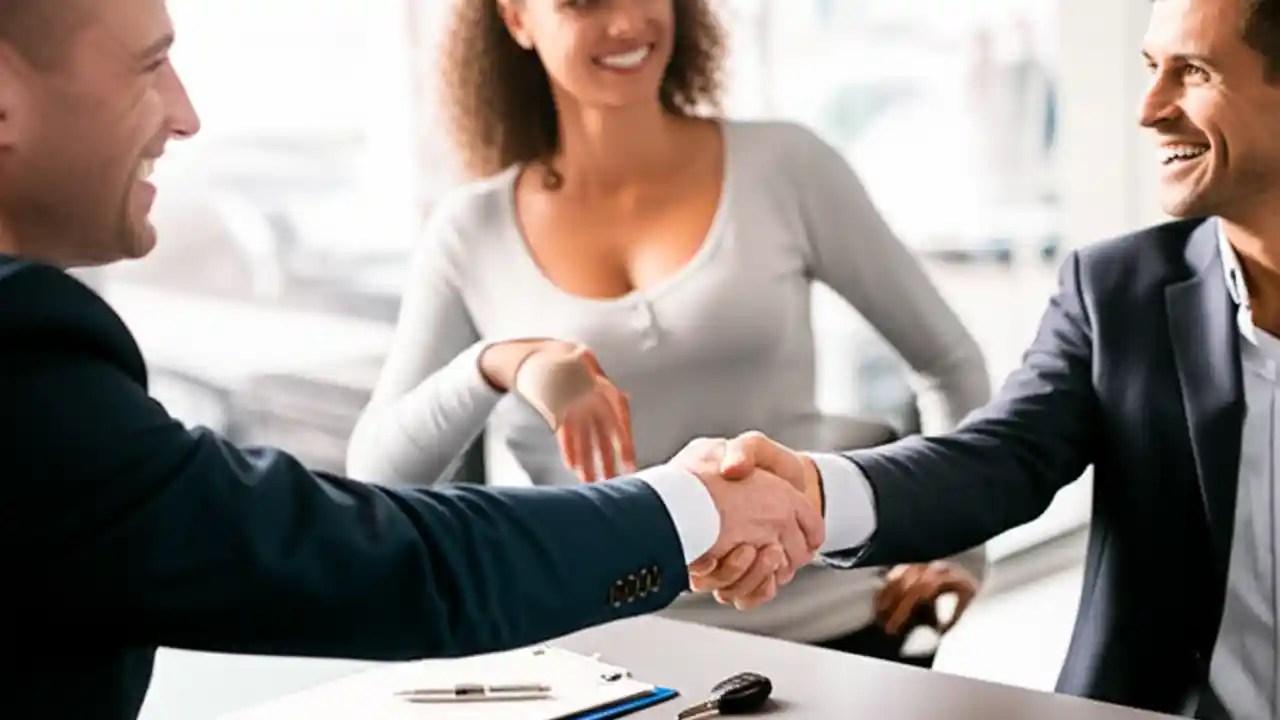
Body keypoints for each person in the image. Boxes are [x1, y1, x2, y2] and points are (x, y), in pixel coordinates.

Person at [0, 1, 827, 718]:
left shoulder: (782, 162)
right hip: (624, 643)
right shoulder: (23, 345)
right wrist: (679, 505)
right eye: (150, 66)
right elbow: (357, 539)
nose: (185, 115)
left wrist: (947, 564)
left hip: (809, 624)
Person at [345, 0, 990, 664]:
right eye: (583, 2)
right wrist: (500, 363)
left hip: (837, 634)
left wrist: (960, 550)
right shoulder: (470, 231)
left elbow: (947, 360)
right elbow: (377, 476)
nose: (625, 24)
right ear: (515, 19)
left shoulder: (786, 165)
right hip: (604, 657)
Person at [698, 0, 1280, 716]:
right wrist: (810, 492)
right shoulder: (1117, 292)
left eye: (1193, 72)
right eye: (1151, 68)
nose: (1150, 109)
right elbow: (998, 460)